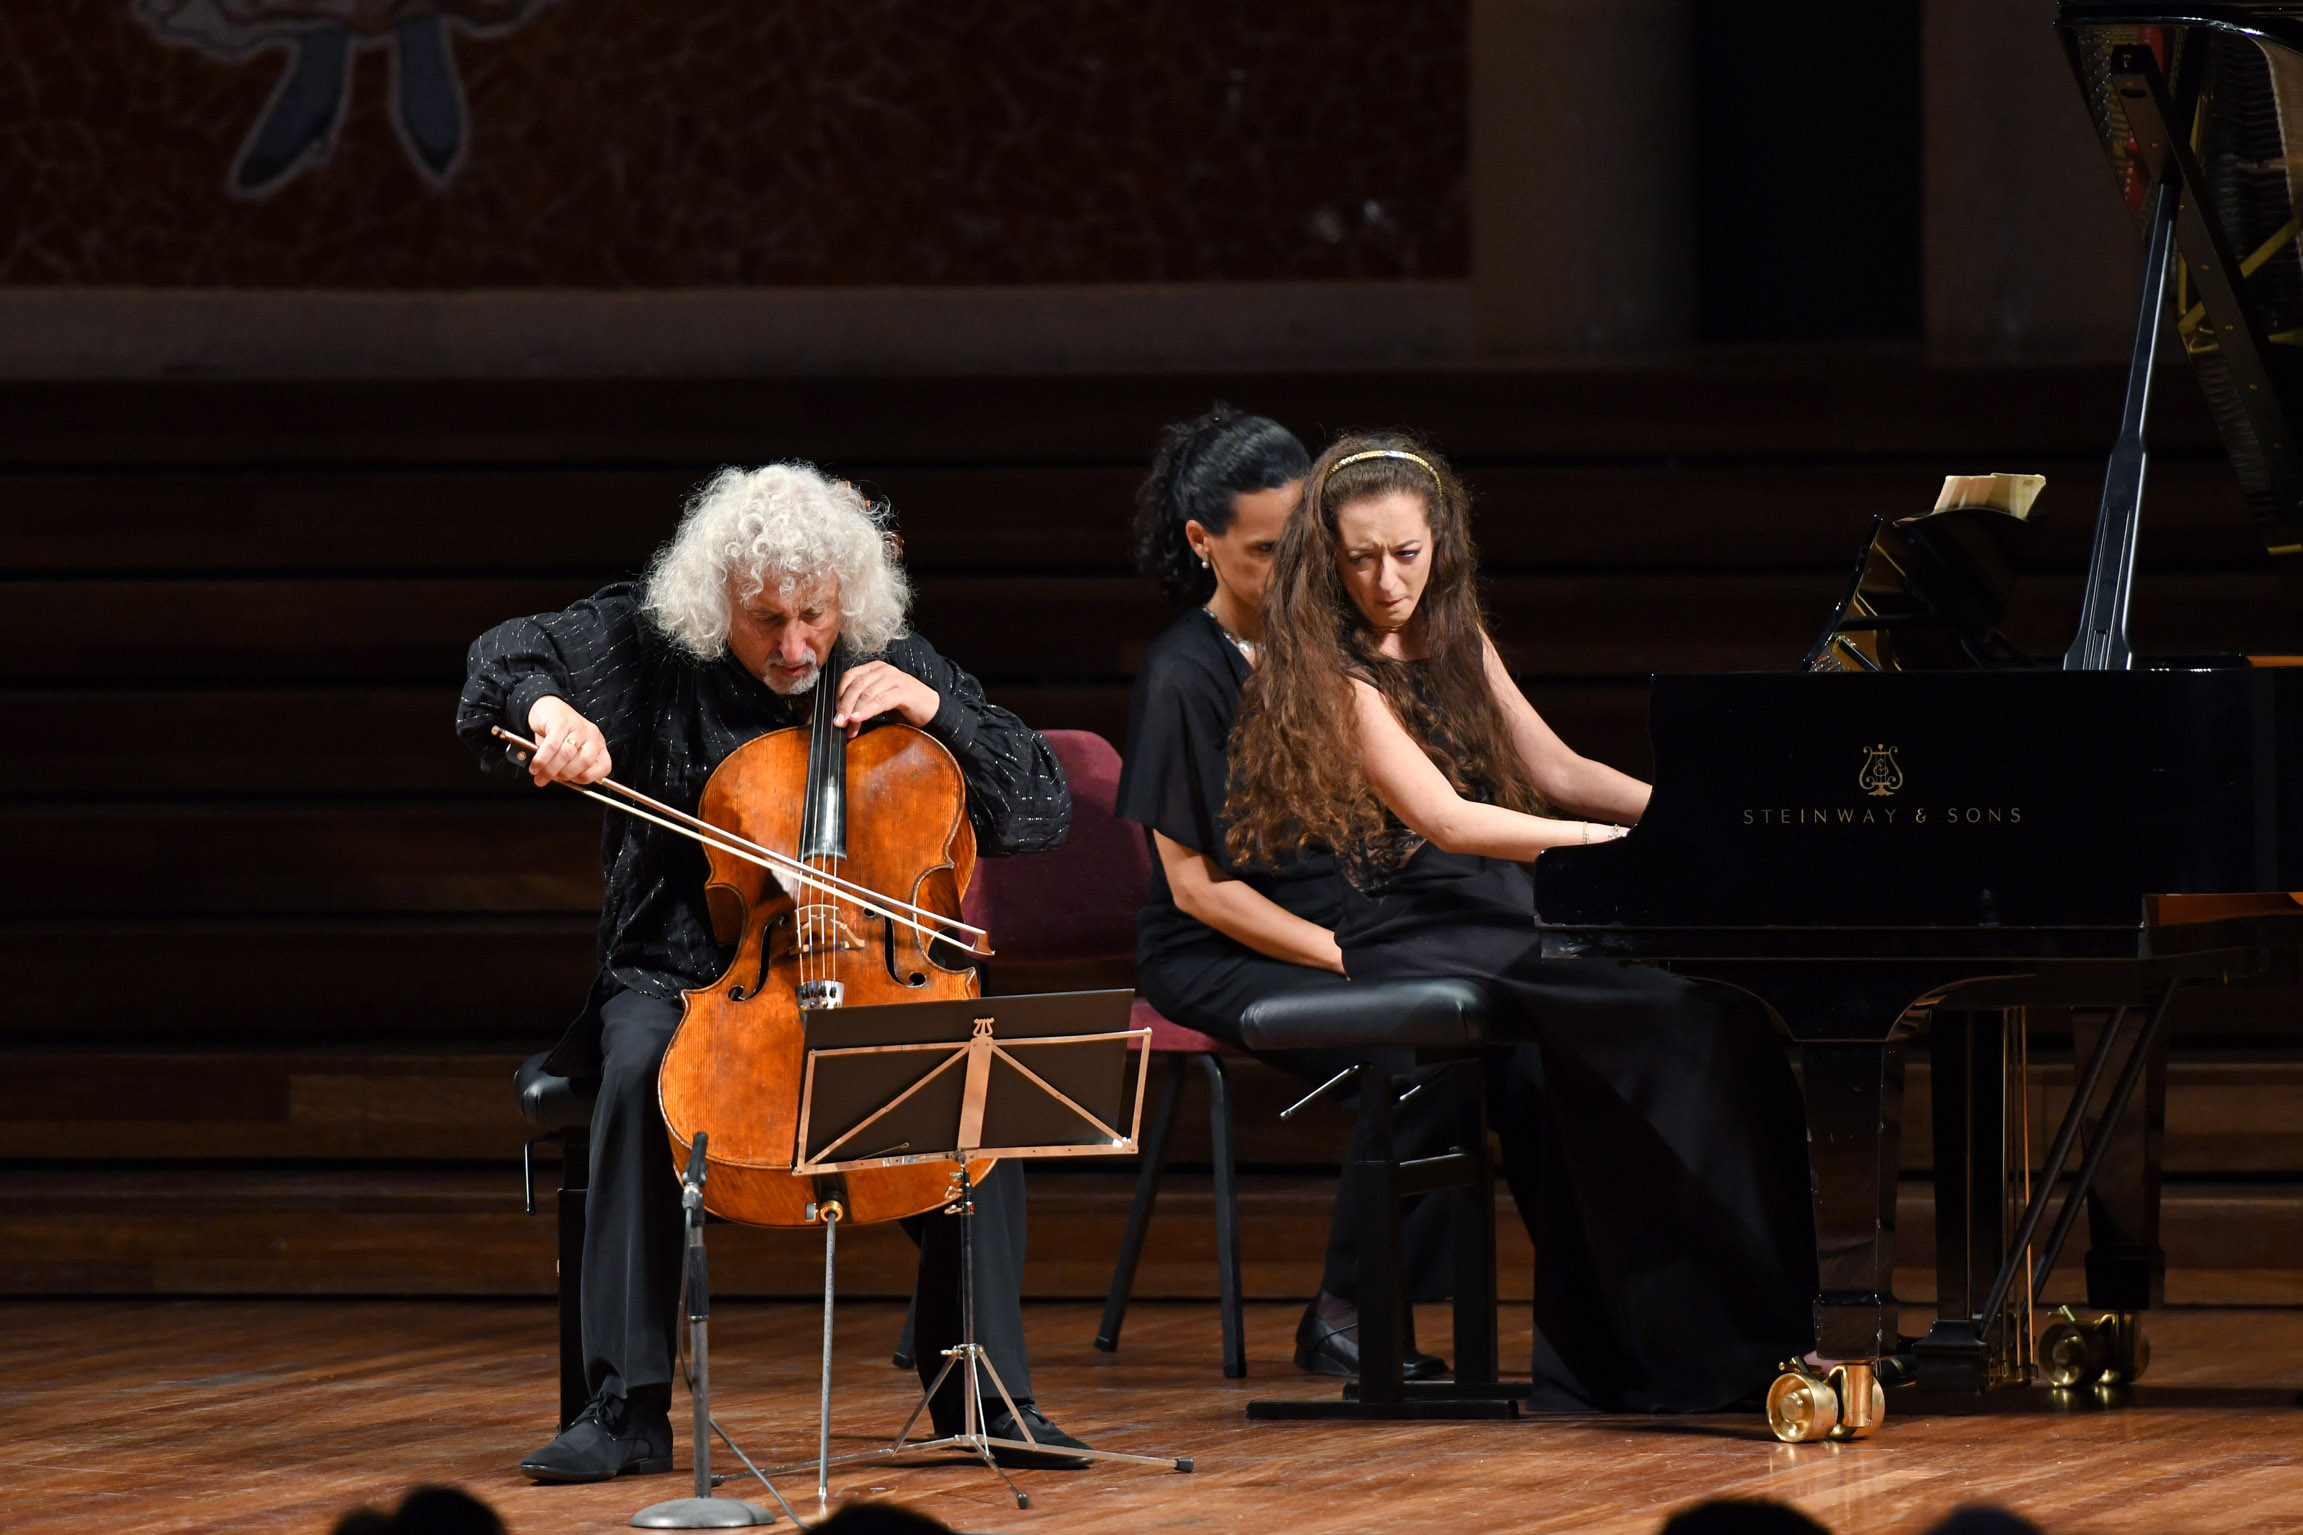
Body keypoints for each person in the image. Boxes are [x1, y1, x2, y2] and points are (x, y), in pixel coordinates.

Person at [457, 464, 1094, 1480]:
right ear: (717, 603)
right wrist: (547, 714)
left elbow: (1041, 808)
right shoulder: (653, 644)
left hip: (872, 970)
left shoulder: (891, 660)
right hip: (691, 968)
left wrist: (939, 711)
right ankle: (623, 1407)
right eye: (764, 620)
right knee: (633, 1070)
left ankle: (979, 1393)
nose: (795, 646)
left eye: (813, 615)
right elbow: (504, 654)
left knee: (972, 1088)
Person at [1226, 432, 1819, 1412]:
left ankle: (1688, 1342)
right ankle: (1705, 1346)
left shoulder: (1451, 634)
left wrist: (1691, 812)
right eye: (1359, 556)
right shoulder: (1329, 667)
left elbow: (1553, 768)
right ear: (1324, 558)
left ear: (1439, 541)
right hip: (1410, 920)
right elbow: (1445, 819)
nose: (1385, 579)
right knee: (1670, 1021)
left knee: (1715, 1009)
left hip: (1496, 902)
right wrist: (1613, 847)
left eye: (1405, 553)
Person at [1114, 406, 1453, 1378]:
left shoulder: (1334, 648)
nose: (1294, 570)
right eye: (1265, 550)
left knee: (1496, 1028)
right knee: (1414, 1029)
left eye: (1302, 545)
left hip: (1339, 918)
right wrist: (1351, 959)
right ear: (1201, 543)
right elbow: (1194, 887)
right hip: (1215, 945)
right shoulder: (1183, 671)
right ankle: (1346, 1308)